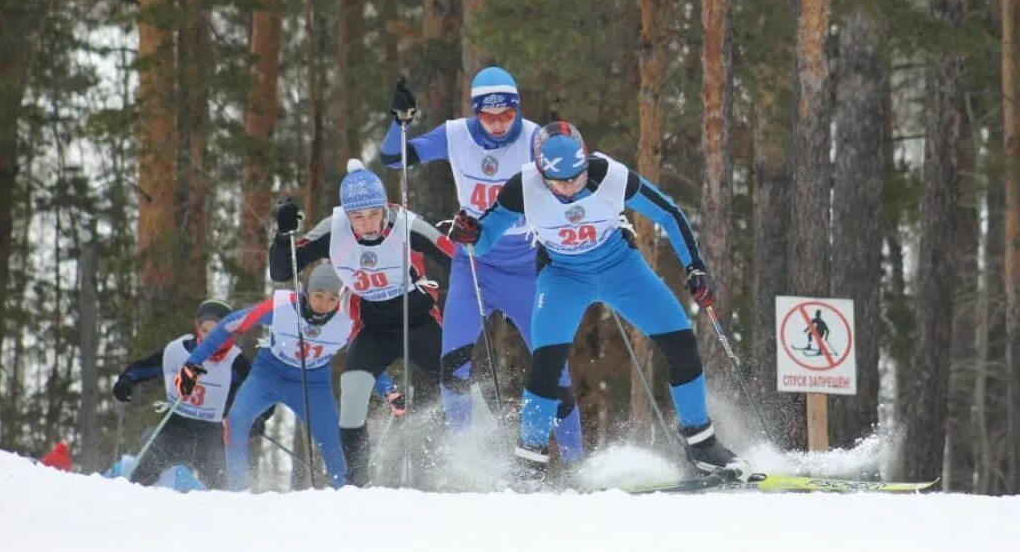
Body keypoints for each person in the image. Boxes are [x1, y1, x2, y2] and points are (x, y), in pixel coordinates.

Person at [448, 121, 747, 483]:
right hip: (563, 277)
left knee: (681, 341)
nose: (571, 188)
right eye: (560, 182)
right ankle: (529, 462)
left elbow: (669, 212)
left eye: (577, 177)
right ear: (542, 174)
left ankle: (701, 445)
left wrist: (695, 267)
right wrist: (470, 233)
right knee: (546, 364)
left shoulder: (609, 176)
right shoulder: (522, 189)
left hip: (621, 268)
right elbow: (483, 240)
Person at [381, 66, 583, 463]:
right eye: (488, 116)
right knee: (453, 361)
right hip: (473, 266)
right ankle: (467, 463)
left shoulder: (535, 139)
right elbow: (393, 158)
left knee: (552, 365)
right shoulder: (456, 135)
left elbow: (576, 182)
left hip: (526, 267)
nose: (497, 125)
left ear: (518, 110)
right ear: (476, 113)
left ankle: (577, 464)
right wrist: (397, 123)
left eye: (507, 115)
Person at [270, 158, 454, 486]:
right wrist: (283, 237)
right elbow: (283, 270)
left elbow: (454, 257)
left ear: (385, 208)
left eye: (374, 214)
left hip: (419, 319)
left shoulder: (407, 225)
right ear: (348, 215)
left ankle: (487, 458)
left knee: (461, 380)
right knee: (353, 391)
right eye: (358, 217)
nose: (368, 225)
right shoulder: (334, 229)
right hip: (373, 325)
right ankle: (356, 484)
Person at [180, 262, 382, 490]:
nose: (324, 304)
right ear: (307, 292)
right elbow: (230, 324)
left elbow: (367, 358)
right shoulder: (283, 308)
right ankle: (238, 490)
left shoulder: (347, 321)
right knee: (236, 419)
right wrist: (193, 363)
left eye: (332, 299)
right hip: (269, 374)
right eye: (318, 295)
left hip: (312, 383)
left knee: (334, 442)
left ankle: (343, 493)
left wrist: (390, 391)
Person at [111, 300, 250, 488]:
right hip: (176, 426)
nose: (210, 339)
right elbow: (145, 367)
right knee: (140, 478)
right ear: (197, 329)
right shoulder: (179, 351)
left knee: (221, 488)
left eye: (217, 333)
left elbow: (257, 392)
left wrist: (258, 419)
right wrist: (126, 381)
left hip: (210, 432)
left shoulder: (237, 363)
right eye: (205, 331)